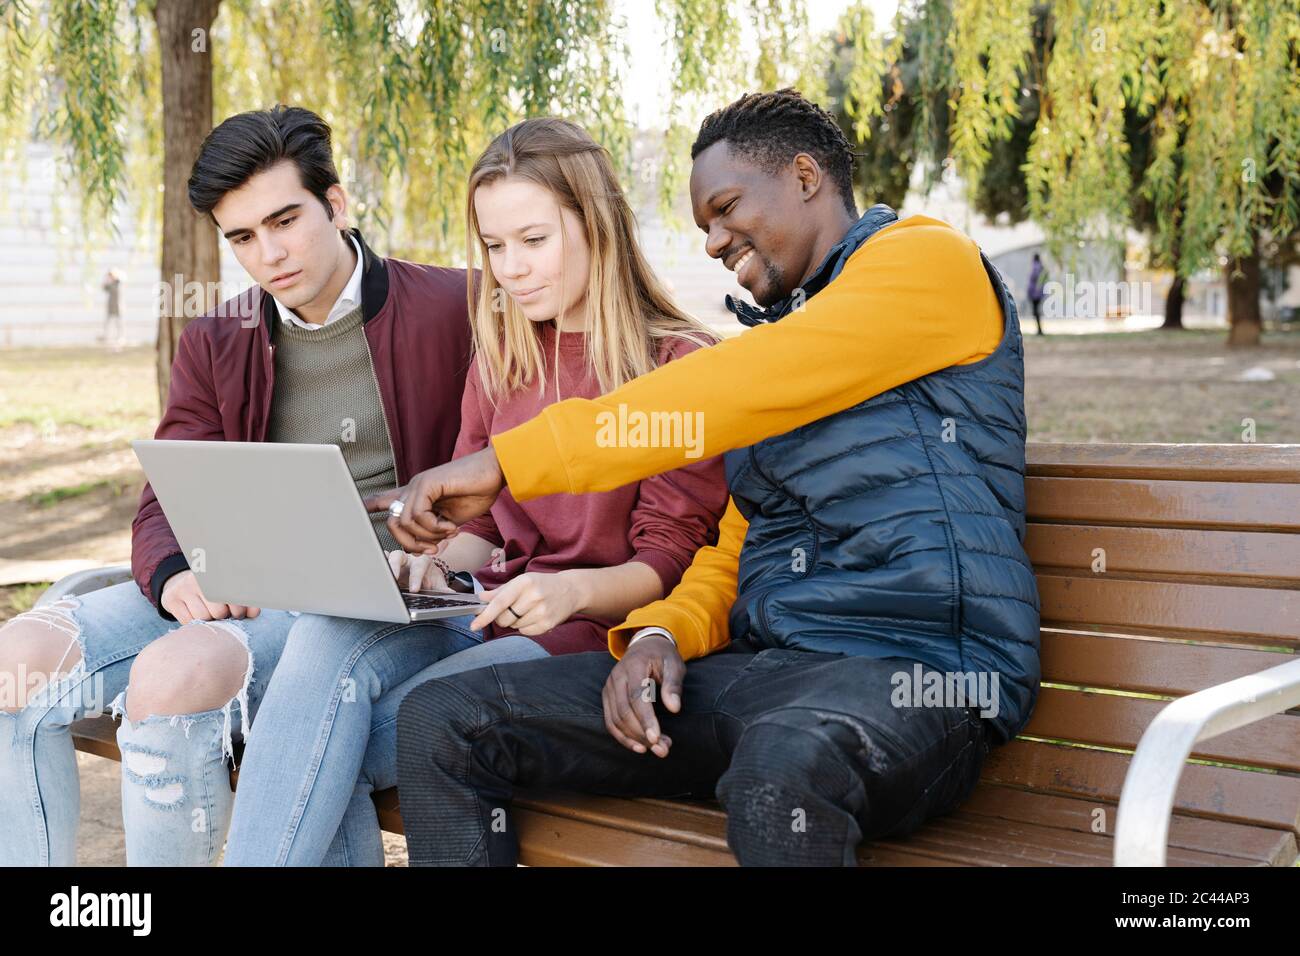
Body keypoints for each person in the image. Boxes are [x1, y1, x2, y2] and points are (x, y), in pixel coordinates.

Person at [387, 89, 1041, 867]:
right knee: (445, 717)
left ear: (805, 176)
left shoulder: (928, 263)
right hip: (763, 675)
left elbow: (725, 389)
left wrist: (506, 463)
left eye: (727, 209)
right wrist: (659, 633)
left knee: (783, 761)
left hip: (920, 679)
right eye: (703, 225)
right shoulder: (782, 350)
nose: (712, 243)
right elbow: (739, 543)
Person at [220, 118, 729, 866]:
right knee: (326, 638)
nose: (512, 268)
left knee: (330, 739)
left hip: (584, 639)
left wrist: (570, 592)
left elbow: (670, 562)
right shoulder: (504, 352)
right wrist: (425, 561)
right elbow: (485, 526)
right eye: (494, 247)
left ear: (598, 225)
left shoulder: (677, 366)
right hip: (484, 609)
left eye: (534, 240)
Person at [0, 105, 472, 866]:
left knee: (172, 675)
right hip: (249, 586)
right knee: (13, 660)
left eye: (285, 221)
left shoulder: (456, 308)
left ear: (337, 203)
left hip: (379, 605)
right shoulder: (218, 338)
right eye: (243, 238)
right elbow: (163, 500)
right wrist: (175, 574)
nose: (270, 253)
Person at [101, 269, 124, 348]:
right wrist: (106, 280)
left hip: (117, 306)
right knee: (108, 322)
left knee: (119, 323)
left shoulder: (118, 283)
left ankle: (120, 337)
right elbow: (103, 287)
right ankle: (107, 336)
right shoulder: (110, 284)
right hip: (111, 306)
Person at [1027, 252, 1046, 334]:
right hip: (1039, 293)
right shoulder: (1042, 267)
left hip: (1034, 293)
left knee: (1035, 312)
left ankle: (1039, 330)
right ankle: (1039, 329)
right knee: (1036, 311)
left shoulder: (1035, 267)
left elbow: (1033, 279)